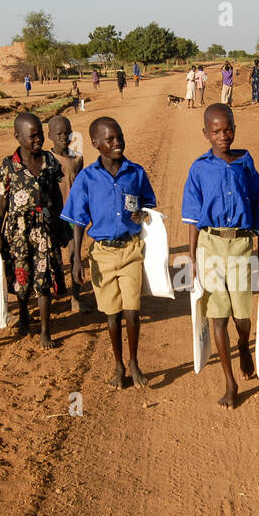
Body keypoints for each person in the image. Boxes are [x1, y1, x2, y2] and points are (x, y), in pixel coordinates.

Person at [63, 116, 157, 388]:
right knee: (112, 314)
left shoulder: (135, 172)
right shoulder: (87, 178)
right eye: (110, 139)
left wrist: (143, 213)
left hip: (130, 250)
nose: (117, 143)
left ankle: (134, 361)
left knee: (132, 311)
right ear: (95, 144)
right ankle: (118, 365)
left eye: (120, 137)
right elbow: (78, 220)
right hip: (102, 254)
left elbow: (149, 204)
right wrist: (77, 261)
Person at [183, 104, 259, 408]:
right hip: (210, 245)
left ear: (234, 128)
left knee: (242, 315)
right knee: (218, 315)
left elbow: (258, 202)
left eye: (227, 129)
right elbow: (192, 218)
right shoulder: (199, 168)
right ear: (206, 133)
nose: (223, 135)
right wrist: (191, 259)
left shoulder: (245, 162)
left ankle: (244, 343)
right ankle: (230, 382)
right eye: (215, 131)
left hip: (242, 244)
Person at [0, 113, 65, 347]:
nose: (38, 140)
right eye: (32, 135)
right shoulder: (8, 166)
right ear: (17, 136)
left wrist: (61, 222)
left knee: (44, 278)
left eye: (40, 135)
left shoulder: (49, 161)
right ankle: (25, 313)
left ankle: (46, 331)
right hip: (18, 233)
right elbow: (1, 203)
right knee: (21, 278)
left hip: (45, 230)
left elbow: (56, 196)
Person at [48, 114, 87, 312]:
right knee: (53, 258)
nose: (64, 137)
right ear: (50, 136)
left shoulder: (77, 158)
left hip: (72, 216)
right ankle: (56, 291)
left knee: (75, 255)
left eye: (67, 132)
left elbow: (82, 186)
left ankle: (75, 297)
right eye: (59, 133)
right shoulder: (46, 159)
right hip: (53, 216)